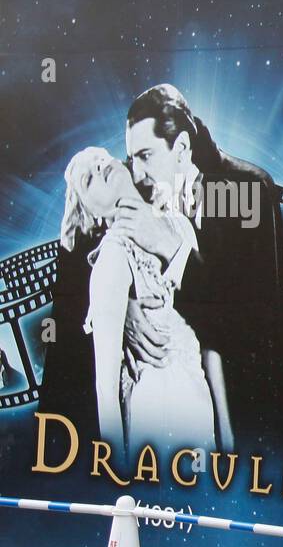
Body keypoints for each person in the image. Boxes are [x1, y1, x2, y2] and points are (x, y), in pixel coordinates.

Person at [119, 84, 283, 456]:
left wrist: (173, 250)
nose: (137, 173)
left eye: (145, 156)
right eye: (131, 160)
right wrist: (123, 308)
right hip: (160, 413)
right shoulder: (135, 194)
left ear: (183, 148)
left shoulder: (247, 186)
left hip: (243, 423)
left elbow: (251, 318)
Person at [61, 147, 221, 454]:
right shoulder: (112, 257)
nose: (99, 167)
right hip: (154, 416)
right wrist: (115, 470)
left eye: (101, 159)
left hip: (199, 405)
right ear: (91, 212)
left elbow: (210, 327)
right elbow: (105, 389)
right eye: (88, 178)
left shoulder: (179, 225)